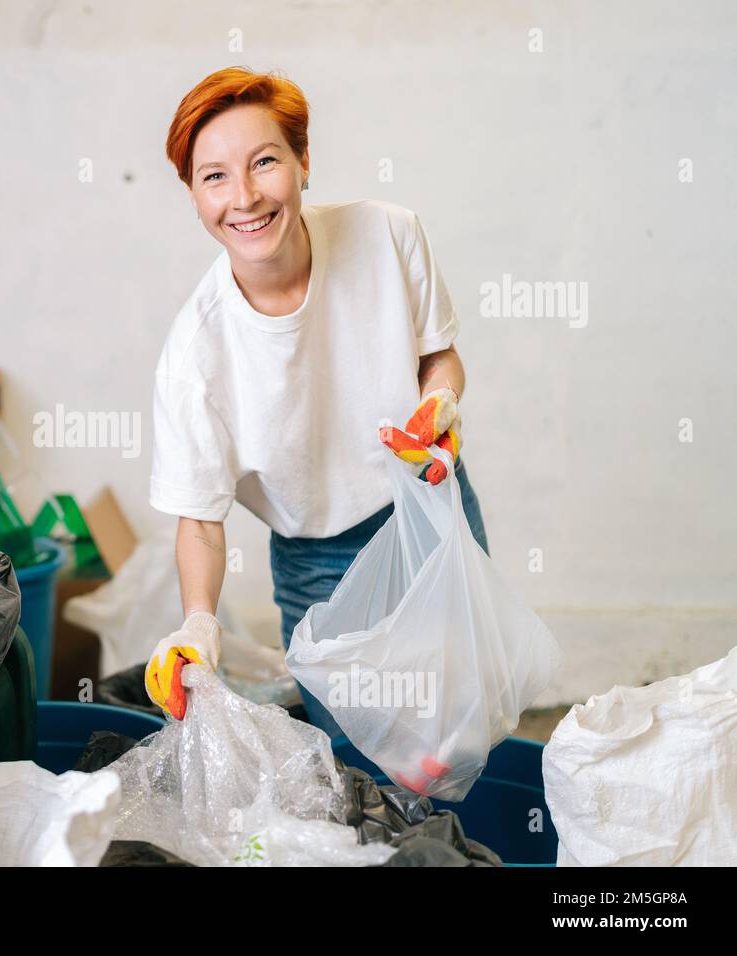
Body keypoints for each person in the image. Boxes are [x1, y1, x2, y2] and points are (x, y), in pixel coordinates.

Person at [144, 67, 490, 736]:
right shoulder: (196, 354)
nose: (243, 197)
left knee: (459, 721)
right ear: (192, 193)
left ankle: (469, 844)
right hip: (317, 558)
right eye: (214, 176)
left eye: (264, 162)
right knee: (352, 752)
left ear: (303, 161)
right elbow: (200, 519)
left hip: (432, 505)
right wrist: (197, 620)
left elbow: (438, 357)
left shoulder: (389, 236)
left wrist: (440, 401)